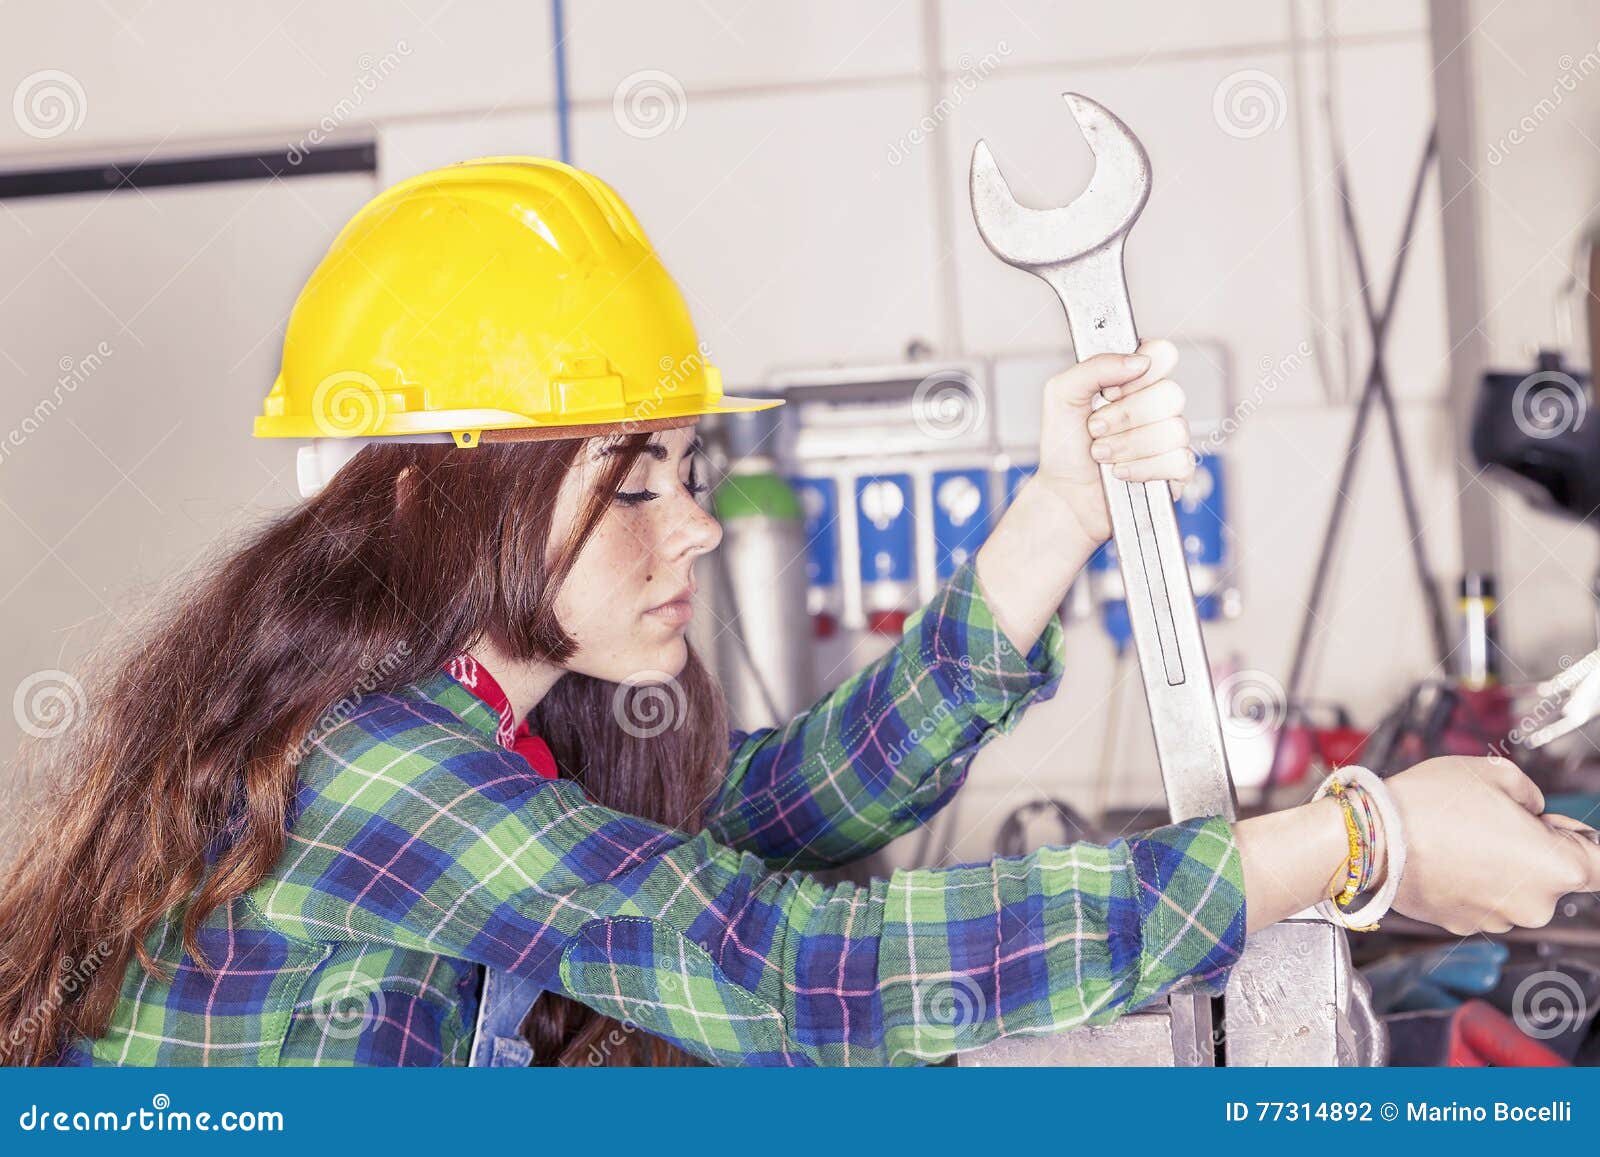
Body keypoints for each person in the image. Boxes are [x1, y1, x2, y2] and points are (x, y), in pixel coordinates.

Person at [1, 158, 1595, 1068]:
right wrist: (1354, 842)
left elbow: (767, 819)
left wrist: (1054, 519)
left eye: (691, 466)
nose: (693, 520)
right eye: (632, 481)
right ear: (433, 497)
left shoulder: (483, 726)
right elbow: (783, 971)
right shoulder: (372, 767)